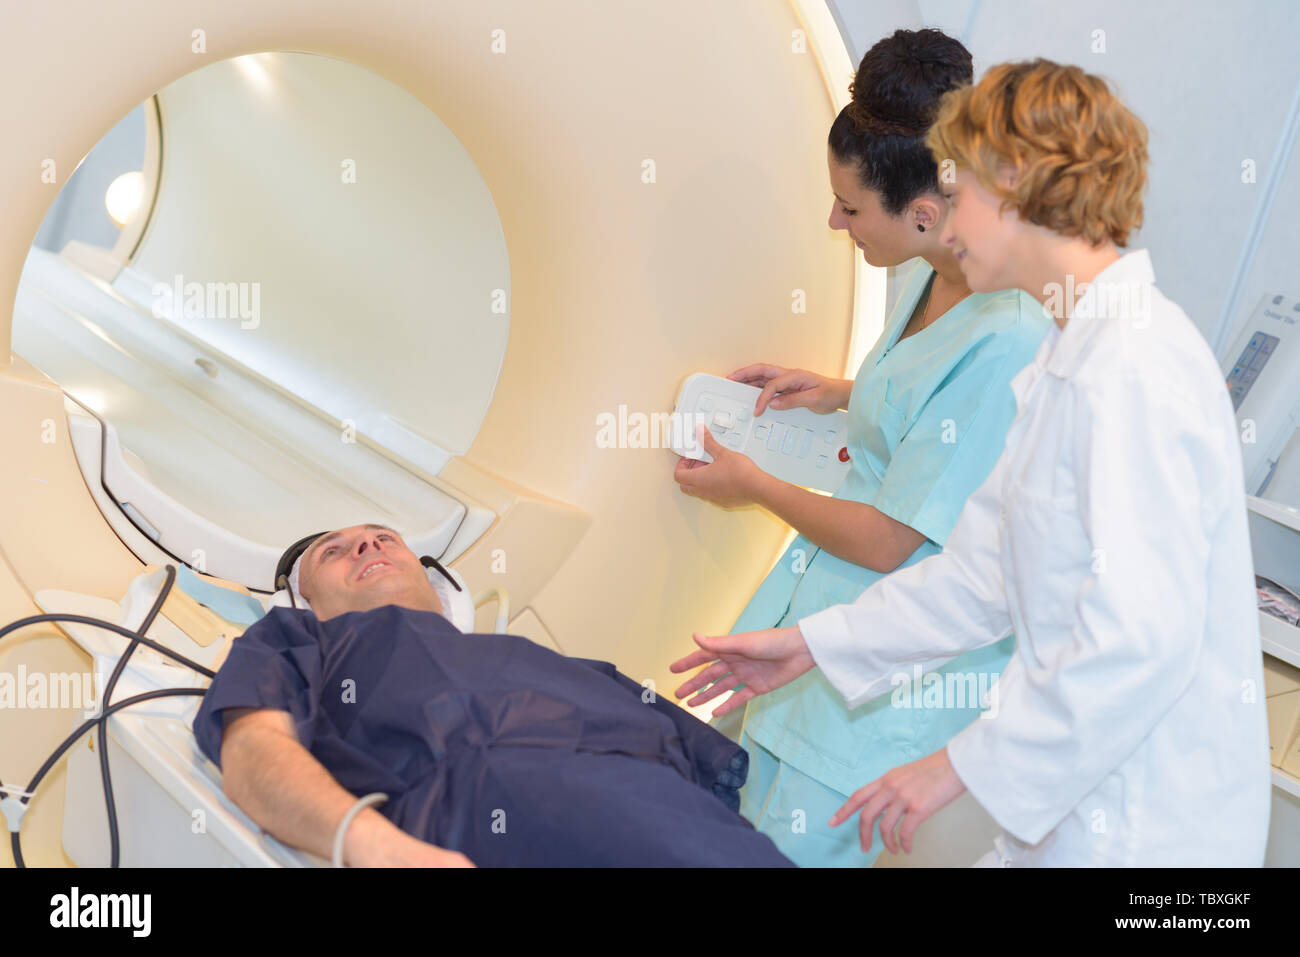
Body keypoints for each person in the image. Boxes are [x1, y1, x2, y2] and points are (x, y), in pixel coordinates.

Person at [671, 59, 1271, 867]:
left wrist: (956, 764)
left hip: (1153, 841)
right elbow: (981, 573)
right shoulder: (1069, 357)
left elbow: (1137, 640)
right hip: (1071, 816)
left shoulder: (1136, 370)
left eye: (960, 196)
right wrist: (818, 644)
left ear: (1020, 192)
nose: (944, 227)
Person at [672, 28, 1049, 866]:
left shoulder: (1012, 333)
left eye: (849, 207)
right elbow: (925, 405)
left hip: (878, 687)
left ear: (922, 210)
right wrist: (840, 392)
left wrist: (754, 483)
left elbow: (889, 540)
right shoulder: (925, 268)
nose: (834, 221)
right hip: (803, 633)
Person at [193, 524, 793, 867]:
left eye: (384, 538)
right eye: (334, 551)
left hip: (693, 826)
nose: (367, 547)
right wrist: (375, 847)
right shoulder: (298, 641)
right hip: (508, 809)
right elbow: (252, 752)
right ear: (305, 600)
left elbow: (708, 782)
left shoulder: (564, 664)